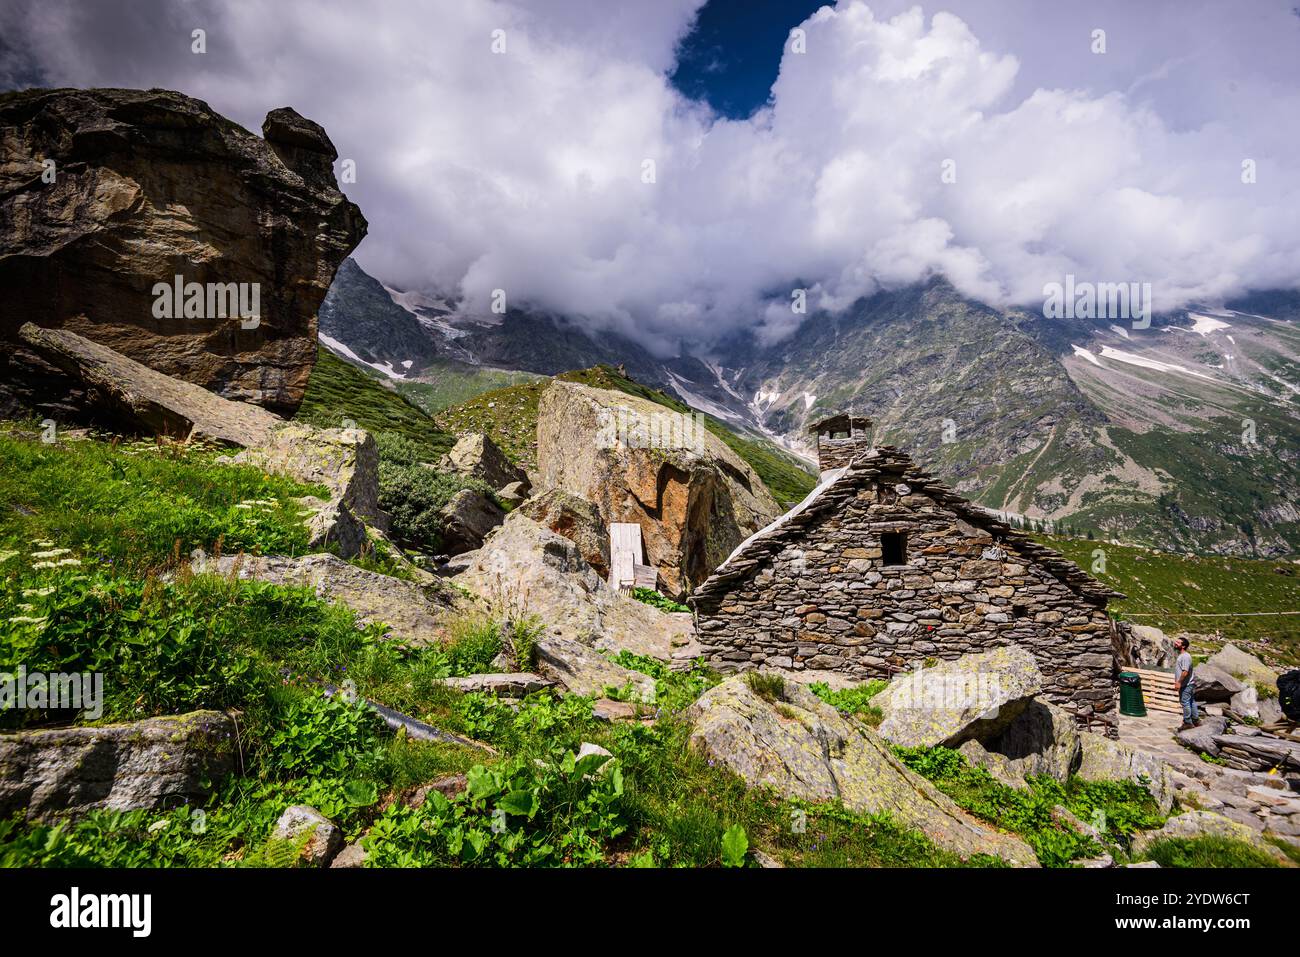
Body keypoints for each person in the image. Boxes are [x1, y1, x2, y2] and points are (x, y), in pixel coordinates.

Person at [1174, 637, 1199, 730]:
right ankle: (1195, 720)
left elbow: (1185, 671)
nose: (1175, 643)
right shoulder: (1184, 656)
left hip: (1186, 684)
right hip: (1189, 684)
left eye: (1178, 642)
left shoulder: (1185, 656)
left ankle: (1187, 722)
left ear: (1183, 646)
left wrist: (1178, 682)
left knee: (1185, 702)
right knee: (1191, 701)